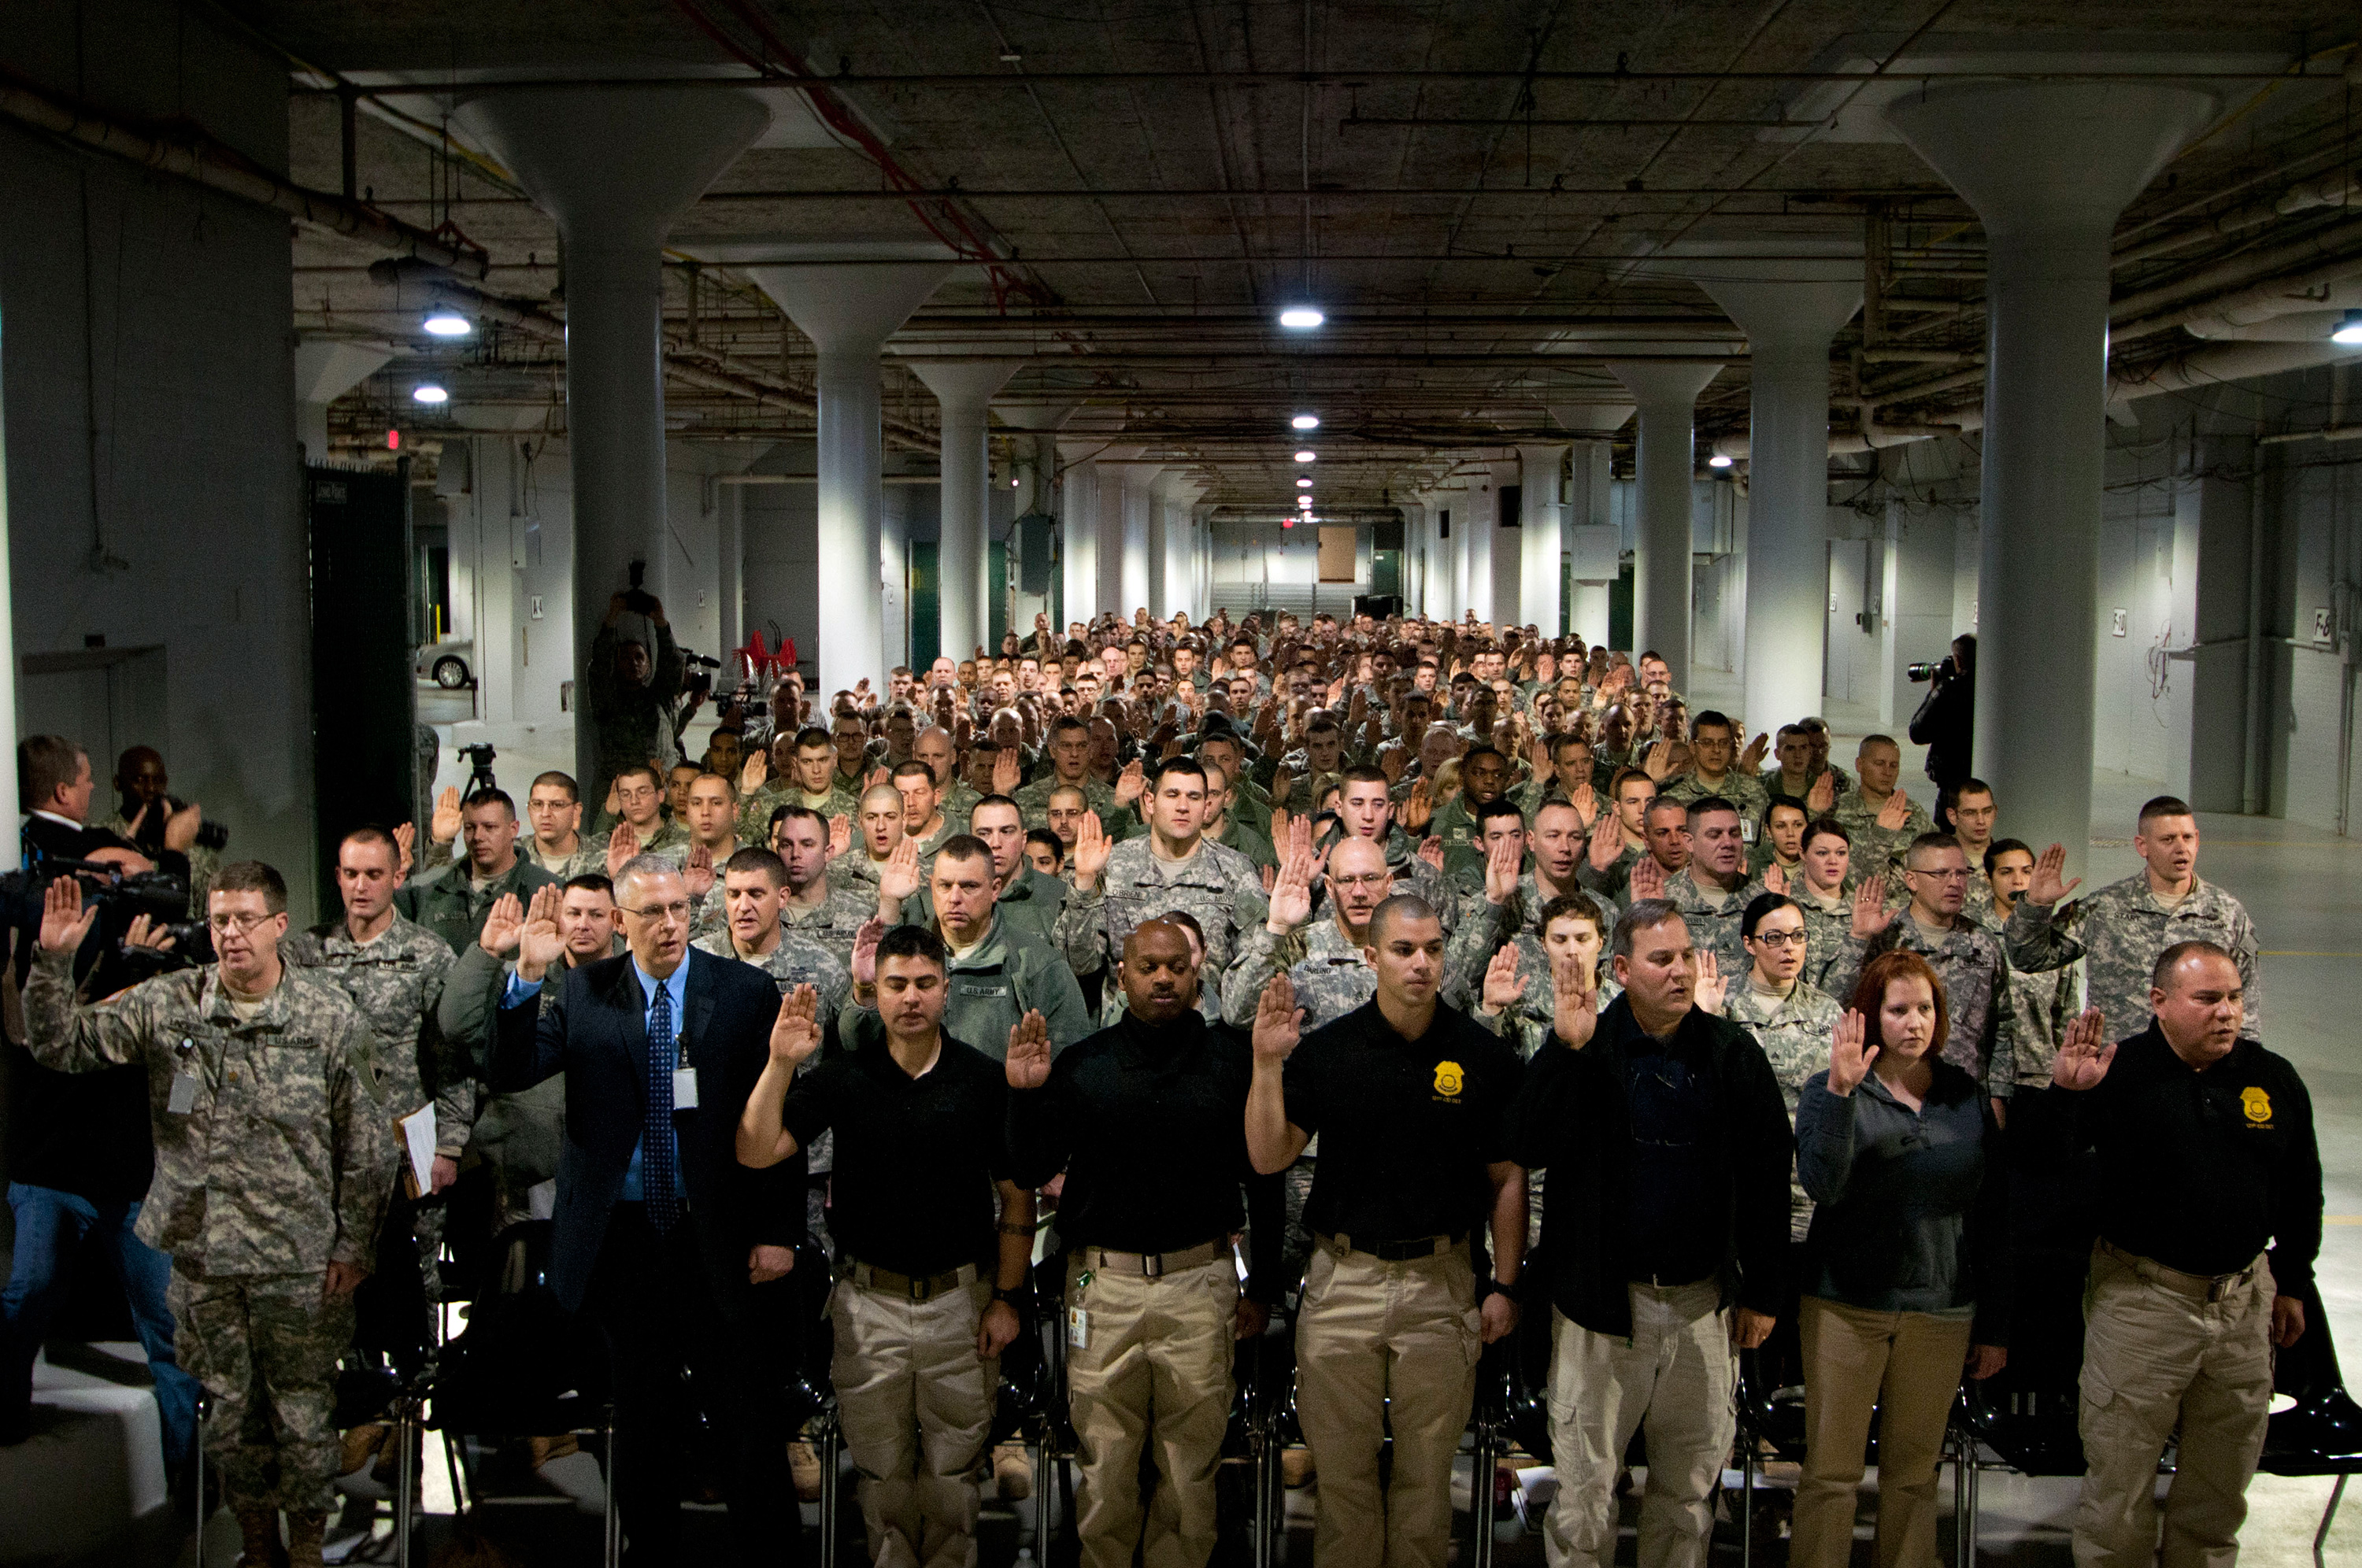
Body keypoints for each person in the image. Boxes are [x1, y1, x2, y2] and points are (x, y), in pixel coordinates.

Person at [23, 864, 392, 1568]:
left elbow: (368, 1144)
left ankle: (308, 1549)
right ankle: (256, 1546)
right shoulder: (173, 1005)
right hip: (204, 1257)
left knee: (303, 1416)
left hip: (301, 1259)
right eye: (219, 920)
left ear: (279, 925)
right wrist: (53, 961)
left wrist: (354, 1246)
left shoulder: (331, 1016)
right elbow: (60, 1045)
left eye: (245, 919)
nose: (230, 935)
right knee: (230, 1414)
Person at [488, 854, 802, 1565]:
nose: (668, 926)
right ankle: (651, 1553)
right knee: (642, 1416)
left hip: (714, 1234)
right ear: (620, 923)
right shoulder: (584, 989)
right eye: (651, 914)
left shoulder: (745, 991)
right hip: (621, 1242)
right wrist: (527, 977)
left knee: (743, 1417)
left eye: (679, 911)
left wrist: (778, 1232)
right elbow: (512, 1071)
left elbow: (778, 1121)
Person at [1507, 899, 1790, 1568]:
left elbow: (1766, 1177)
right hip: (1603, 1311)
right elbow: (1522, 1140)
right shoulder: (1588, 1044)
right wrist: (1563, 1048)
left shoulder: (1731, 1053)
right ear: (1623, 969)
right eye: (1662, 960)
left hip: (1700, 1305)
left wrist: (1766, 1290)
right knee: (1585, 1497)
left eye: (1687, 956)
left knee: (1690, 1496)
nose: (1680, 972)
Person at [737, 925, 1030, 1568]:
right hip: (869, 1305)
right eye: (895, 985)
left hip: (961, 1303)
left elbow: (1016, 1200)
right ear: (874, 992)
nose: (911, 998)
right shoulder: (845, 1079)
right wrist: (781, 1064)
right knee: (883, 1477)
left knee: (954, 1482)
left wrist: (1006, 1298)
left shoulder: (983, 1082)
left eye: (925, 984)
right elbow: (756, 1150)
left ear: (946, 990)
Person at [1245, 894, 1524, 1568]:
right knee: (1344, 1484)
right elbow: (1268, 1155)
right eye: (1403, 950)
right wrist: (1264, 1066)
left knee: (1426, 1485)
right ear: (1372, 957)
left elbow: (1506, 1179)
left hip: (1442, 1282)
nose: (1420, 963)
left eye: (1432, 949)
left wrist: (1505, 1285)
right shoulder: (1330, 1052)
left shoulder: (1482, 1055)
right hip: (1344, 1282)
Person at [2022, 941, 2318, 1568]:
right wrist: (2066, 1095)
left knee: (2219, 1491)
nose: (2227, 1013)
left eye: (2234, 997)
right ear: (2159, 1003)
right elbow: (2042, 1166)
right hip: (2144, 1303)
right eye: (2208, 999)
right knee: (2119, 1494)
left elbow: (2300, 1189)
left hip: (2241, 1306)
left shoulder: (2272, 1078)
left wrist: (2291, 1281)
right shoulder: (2116, 1072)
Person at [1005, 920, 1282, 1568]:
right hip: (1102, 1287)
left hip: (1200, 1282)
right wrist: (1023, 1097)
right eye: (1148, 967)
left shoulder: (1231, 1063)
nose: (1163, 979)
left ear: (1197, 976)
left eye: (1176, 968)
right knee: (1104, 1468)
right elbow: (1027, 1167)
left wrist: (1262, 1285)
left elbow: (1265, 1180)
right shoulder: (1083, 1066)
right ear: (1122, 974)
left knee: (1191, 1471)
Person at [1790, 949, 2008, 1568]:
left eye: (1926, 1009)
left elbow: (1993, 1214)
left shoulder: (1964, 1093)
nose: (1915, 1022)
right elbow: (1823, 1187)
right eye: (1898, 1010)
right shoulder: (1829, 1089)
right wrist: (1839, 1091)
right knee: (1832, 1471)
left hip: (1940, 1308)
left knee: (1913, 1475)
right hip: (1846, 1305)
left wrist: (1995, 1324)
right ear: (1870, 1017)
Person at [2003, 795, 2263, 1040]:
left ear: (2197, 839)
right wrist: (2035, 906)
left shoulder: (2226, 913)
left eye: (2187, 838)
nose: (2181, 848)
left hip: (2198, 1069)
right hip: (2120, 1067)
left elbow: (2246, 1002)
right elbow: (2028, 958)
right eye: (2168, 839)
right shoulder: (2103, 908)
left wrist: (2243, 1064)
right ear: (2142, 846)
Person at [1057, 757, 1269, 1019]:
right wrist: (1085, 880)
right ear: (1149, 802)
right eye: (1172, 795)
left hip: (1204, 1032)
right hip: (1124, 1029)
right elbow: (1080, 964)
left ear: (1206, 807)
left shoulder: (1236, 871)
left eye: (1193, 797)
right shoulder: (1111, 864)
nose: (1182, 806)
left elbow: (1251, 976)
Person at [865, 834, 1093, 1056]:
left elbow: (1072, 1061)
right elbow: (858, 1040)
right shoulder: (908, 955)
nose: (955, 897)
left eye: (969, 887)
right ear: (932, 886)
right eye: (945, 885)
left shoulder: (1039, 965)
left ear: (995, 890)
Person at [1850, 832, 2012, 1110]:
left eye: (1961, 873)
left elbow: (2002, 1028)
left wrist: (1997, 1098)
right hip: (1891, 1097)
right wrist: (1858, 940)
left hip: (1964, 1100)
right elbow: (1841, 1007)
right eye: (1941, 874)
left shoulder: (1983, 943)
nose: (1955, 883)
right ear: (1911, 880)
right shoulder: (1885, 939)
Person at [1723, 893, 1846, 1246]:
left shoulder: (1826, 1012)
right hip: (1743, 1185)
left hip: (1809, 1185)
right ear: (1749, 944)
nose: (1788, 947)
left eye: (1798, 936)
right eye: (1774, 938)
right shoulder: (1722, 1006)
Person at [399, 788, 558, 952]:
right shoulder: (428, 886)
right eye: (470, 828)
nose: (478, 837)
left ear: (514, 829)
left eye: (489, 827)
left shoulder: (546, 890)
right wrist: (392, 875)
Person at [1651, 797, 1763, 982]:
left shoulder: (1762, 903)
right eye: (1714, 835)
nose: (1728, 843)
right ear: (1689, 843)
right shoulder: (1664, 900)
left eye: (1734, 834)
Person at [587, 590, 687, 795]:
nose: (633, 663)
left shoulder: (660, 699)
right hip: (622, 792)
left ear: (649, 665)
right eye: (625, 658)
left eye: (639, 657)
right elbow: (599, 669)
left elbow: (672, 664)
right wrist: (612, 617)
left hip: (662, 789)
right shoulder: (607, 701)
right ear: (617, 665)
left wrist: (659, 622)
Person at [772, 804, 879, 967]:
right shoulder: (763, 910)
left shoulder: (861, 916)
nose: (795, 855)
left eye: (807, 844)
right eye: (786, 845)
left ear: (828, 853)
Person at [1831, 736, 1931, 875]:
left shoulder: (1913, 813)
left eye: (1893, 765)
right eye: (1879, 763)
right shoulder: (1836, 810)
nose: (1887, 772)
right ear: (1859, 765)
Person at [1906, 634, 1976, 816]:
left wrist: (1935, 689)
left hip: (1953, 779)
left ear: (1958, 660)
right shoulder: (1993, 687)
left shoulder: (1950, 690)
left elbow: (1917, 732)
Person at [1016, 715, 1120, 829]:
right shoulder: (1025, 799)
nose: (1074, 754)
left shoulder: (1115, 801)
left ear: (1091, 751)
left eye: (1081, 746)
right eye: (1066, 746)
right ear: (1052, 750)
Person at [602, 763, 694, 868]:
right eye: (626, 794)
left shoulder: (688, 843)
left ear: (660, 795)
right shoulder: (602, 843)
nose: (634, 801)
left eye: (642, 792)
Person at [521, 771, 609, 879]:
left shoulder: (604, 858)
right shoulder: (511, 855)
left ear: (576, 811)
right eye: (538, 804)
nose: (545, 814)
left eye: (557, 805)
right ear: (529, 809)